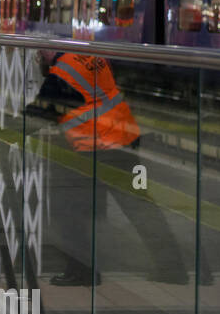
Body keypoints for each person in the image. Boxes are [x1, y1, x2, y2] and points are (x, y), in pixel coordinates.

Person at [17, 49, 209, 286]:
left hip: (95, 147)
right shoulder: (89, 57)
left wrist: (5, 133)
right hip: (122, 139)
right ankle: (173, 270)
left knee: (67, 209)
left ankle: (83, 272)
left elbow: (42, 110)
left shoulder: (62, 72)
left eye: (39, 55)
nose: (39, 60)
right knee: (141, 210)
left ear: (48, 52)